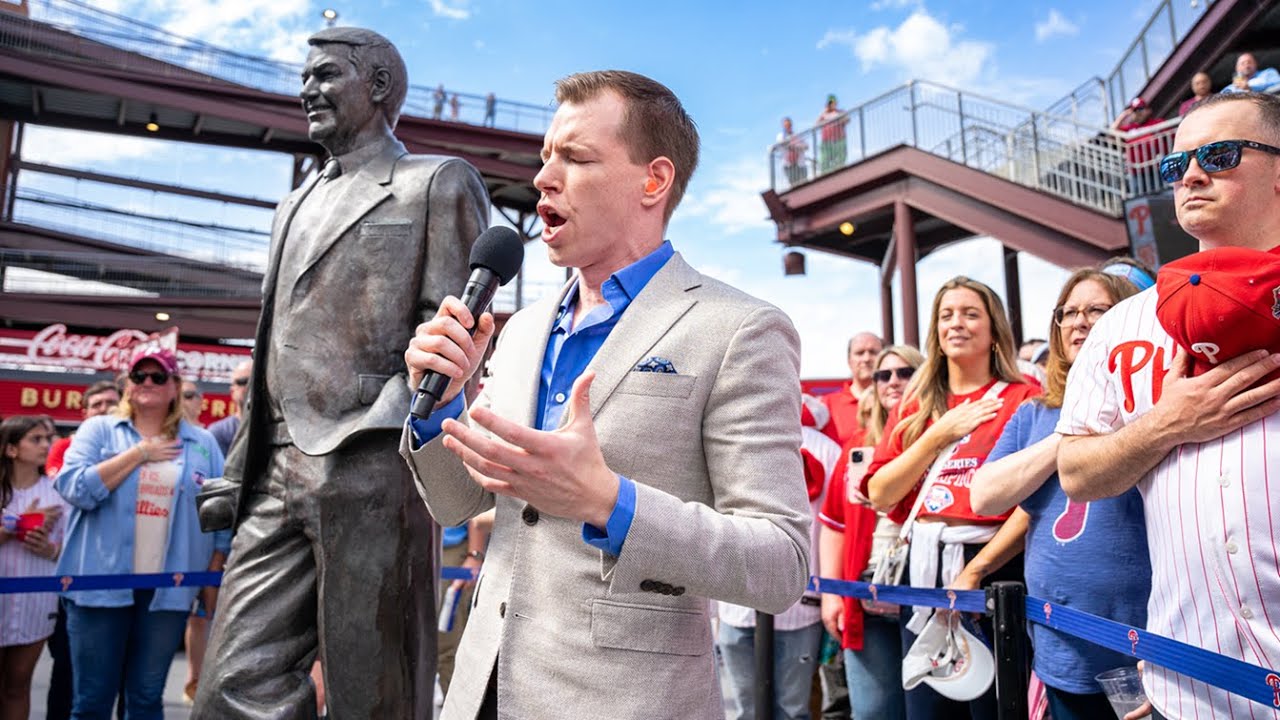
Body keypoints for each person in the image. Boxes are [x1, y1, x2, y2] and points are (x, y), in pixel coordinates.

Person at [401, 69, 812, 720]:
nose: (542, 176)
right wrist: (444, 407)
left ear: (653, 180)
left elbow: (781, 564)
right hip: (482, 688)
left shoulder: (740, 330)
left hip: (626, 702)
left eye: (575, 156)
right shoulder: (523, 330)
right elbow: (458, 504)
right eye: (544, 158)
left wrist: (610, 503)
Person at [193, 27, 489, 720]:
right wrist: (241, 466)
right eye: (306, 77)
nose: (307, 90)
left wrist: (378, 433)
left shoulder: (435, 183)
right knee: (230, 690)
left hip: (370, 470)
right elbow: (269, 344)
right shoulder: (291, 206)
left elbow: (451, 333)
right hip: (275, 474)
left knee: (376, 695)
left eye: (326, 75)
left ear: (379, 87)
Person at [1057, 92, 1280, 720]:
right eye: (1176, 165)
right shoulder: (1122, 324)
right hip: (1188, 685)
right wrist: (1166, 424)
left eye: (1220, 154)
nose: (1192, 175)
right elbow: (1076, 472)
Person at [969, 267, 1148, 720]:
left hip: (1145, 647)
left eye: (1096, 310)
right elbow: (984, 497)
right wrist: (1068, 433)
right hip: (1057, 646)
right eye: (1068, 312)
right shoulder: (1035, 413)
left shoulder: (1150, 406)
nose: (1078, 322)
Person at [859, 276, 1040, 719]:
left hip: (993, 567)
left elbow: (1033, 507)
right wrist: (937, 435)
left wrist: (978, 570)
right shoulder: (917, 404)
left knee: (992, 707)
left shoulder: (1025, 399)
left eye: (970, 313)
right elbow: (881, 492)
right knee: (925, 710)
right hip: (922, 567)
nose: (956, 324)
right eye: (946, 315)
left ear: (994, 328)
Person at [55, 346, 228, 719]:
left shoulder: (203, 442)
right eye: (139, 376)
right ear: (127, 386)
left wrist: (213, 569)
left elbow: (220, 512)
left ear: (174, 388)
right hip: (98, 585)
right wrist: (139, 454)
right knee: (92, 702)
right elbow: (73, 488)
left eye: (158, 376)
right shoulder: (99, 429)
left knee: (147, 698)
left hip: (168, 589)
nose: (148, 382)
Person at [717, 396, 841, 720]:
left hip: (800, 601)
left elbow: (833, 529)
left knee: (790, 709)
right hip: (736, 601)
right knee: (748, 707)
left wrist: (828, 592)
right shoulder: (726, 439)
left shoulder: (826, 450)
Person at [819, 345, 925, 720]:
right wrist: (832, 595)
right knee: (874, 713)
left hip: (929, 602)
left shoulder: (940, 435)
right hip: (868, 601)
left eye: (904, 372)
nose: (893, 381)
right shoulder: (857, 446)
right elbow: (833, 523)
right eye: (884, 375)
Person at [0, 415, 66, 720]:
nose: (45, 445)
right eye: (35, 439)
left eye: (47, 439)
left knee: (17, 686)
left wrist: (48, 548)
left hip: (36, 603)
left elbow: (71, 553)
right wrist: (18, 524)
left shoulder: (59, 493)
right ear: (11, 449)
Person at [437, 509, 494, 698]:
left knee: (448, 647)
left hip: (450, 549)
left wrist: (475, 554)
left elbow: (475, 499)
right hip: (405, 548)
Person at [46, 381, 119, 477]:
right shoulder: (64, 446)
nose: (104, 409)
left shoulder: (136, 443)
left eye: (111, 403)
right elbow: (62, 482)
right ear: (85, 414)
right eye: (97, 405)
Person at [822, 332, 884, 446]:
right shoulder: (826, 405)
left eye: (873, 352)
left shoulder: (892, 402)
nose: (866, 358)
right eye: (860, 353)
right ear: (849, 361)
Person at [207, 360, 251, 457]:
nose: (250, 386)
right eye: (243, 381)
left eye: (255, 381)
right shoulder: (219, 432)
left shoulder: (276, 429)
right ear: (232, 390)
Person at [816, 94, 849, 173]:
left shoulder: (840, 112)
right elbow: (817, 124)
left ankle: (839, 173)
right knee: (824, 162)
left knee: (840, 160)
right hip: (827, 142)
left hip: (839, 140)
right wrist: (824, 112)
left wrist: (840, 119)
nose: (832, 104)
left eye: (834, 102)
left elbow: (847, 120)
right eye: (830, 103)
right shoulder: (824, 114)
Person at [778, 116, 809, 187]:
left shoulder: (797, 135)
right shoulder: (781, 136)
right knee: (794, 185)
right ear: (783, 126)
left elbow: (806, 146)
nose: (788, 127)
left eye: (789, 125)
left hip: (800, 164)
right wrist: (797, 146)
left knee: (804, 184)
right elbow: (784, 144)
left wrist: (795, 146)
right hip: (789, 165)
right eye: (786, 125)